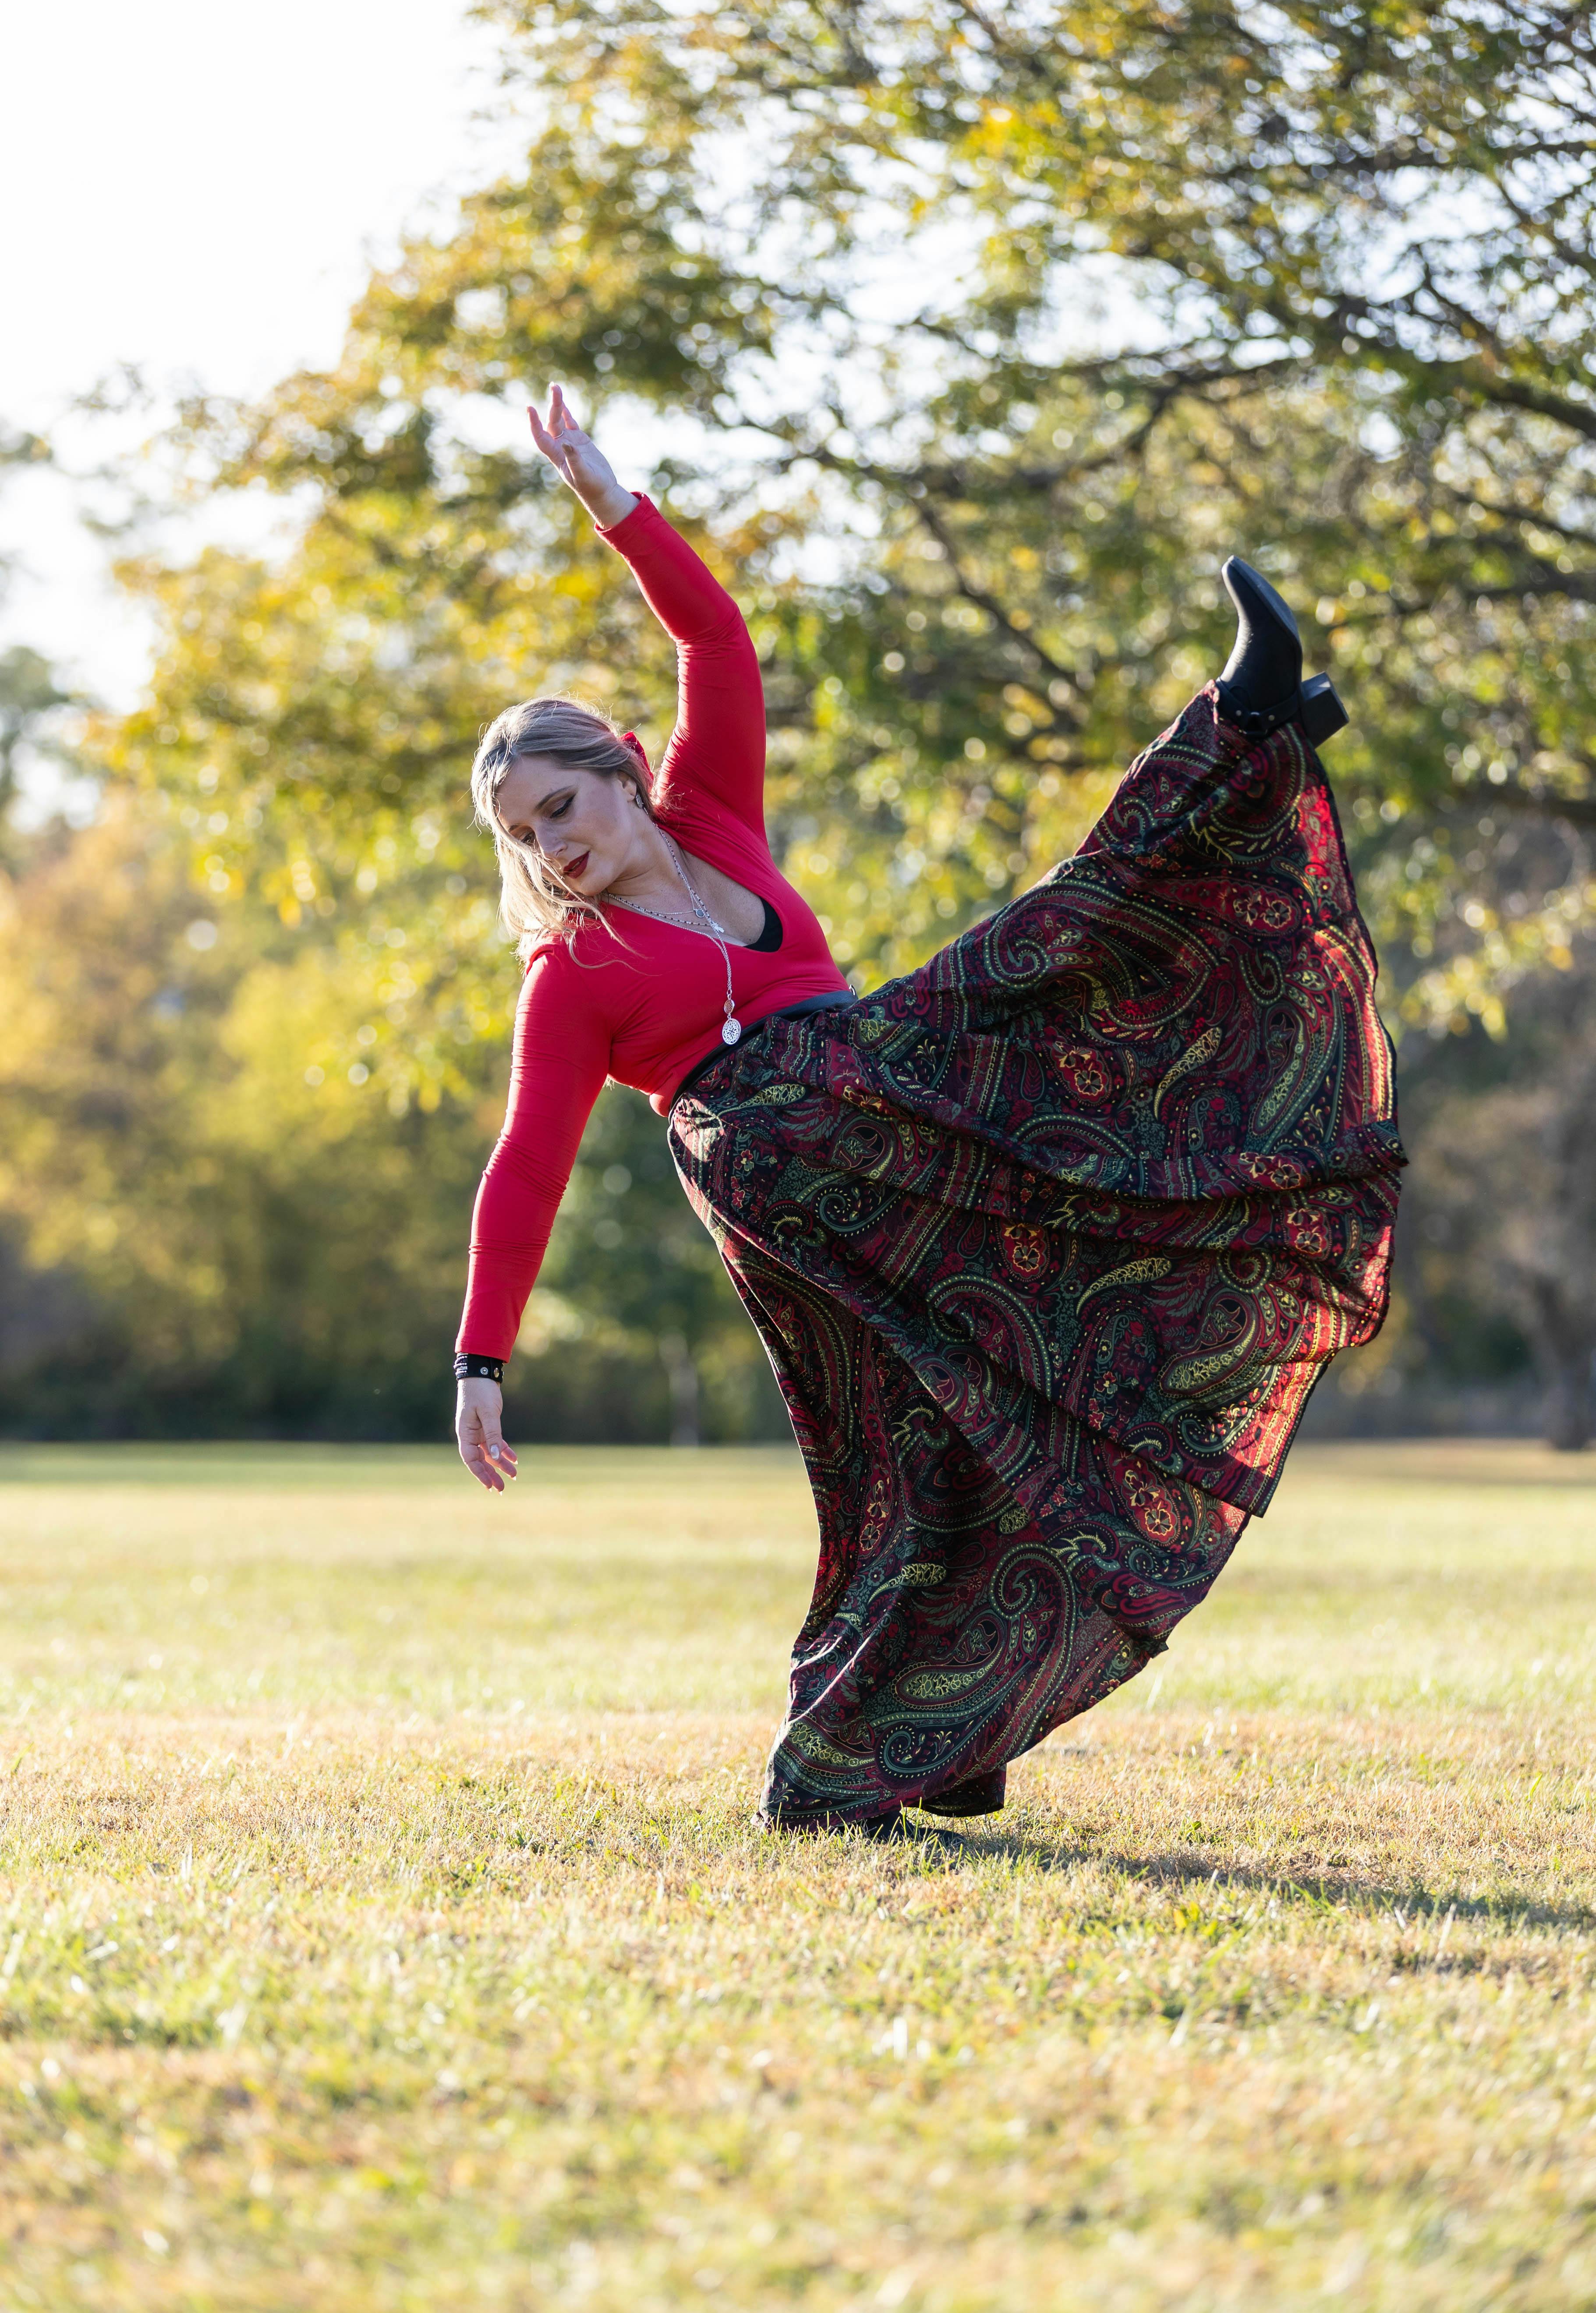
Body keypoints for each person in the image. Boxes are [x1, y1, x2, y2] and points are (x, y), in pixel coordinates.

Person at [453, 386, 1405, 1832]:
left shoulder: (712, 816)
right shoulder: (572, 973)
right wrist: (481, 1361)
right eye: (524, 839)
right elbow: (527, 1163)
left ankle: (926, 1746)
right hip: (792, 1170)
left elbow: (715, 638)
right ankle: (1245, 729)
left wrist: (608, 497)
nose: (552, 850)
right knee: (1034, 964)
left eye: (559, 810)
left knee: (950, 1426)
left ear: (621, 772)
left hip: (880, 1100)